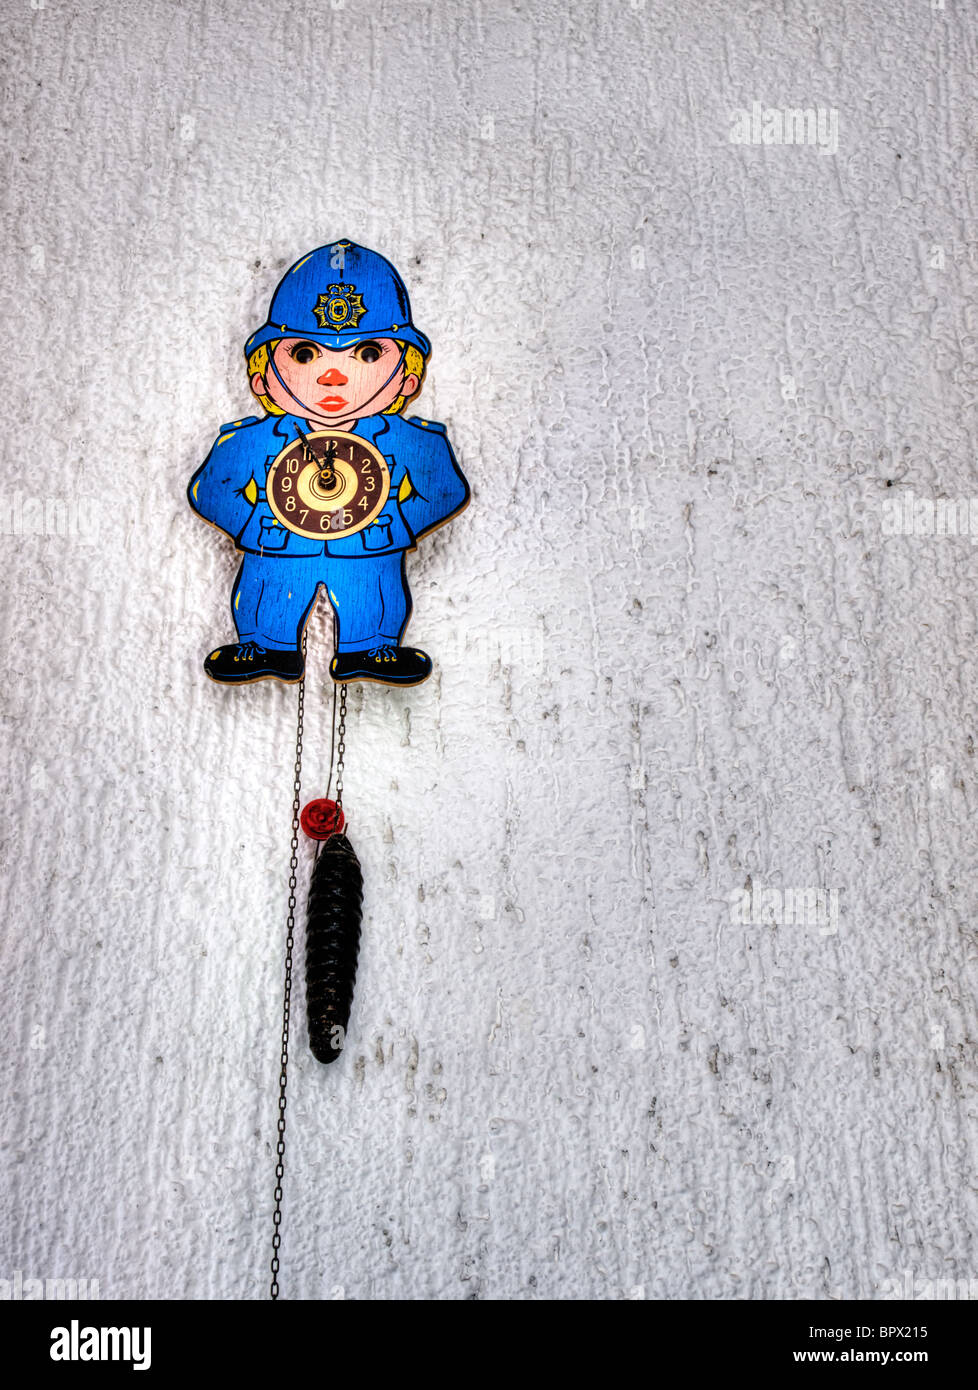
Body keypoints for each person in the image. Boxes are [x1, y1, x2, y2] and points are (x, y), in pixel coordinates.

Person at [187, 239, 469, 686]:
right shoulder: (250, 440)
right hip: (279, 546)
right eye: (303, 354)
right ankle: (265, 643)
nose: (332, 375)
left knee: (373, 592)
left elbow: (444, 491)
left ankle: (371, 646)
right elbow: (213, 490)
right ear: (263, 377)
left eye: (369, 354)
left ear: (408, 378)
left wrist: (392, 520)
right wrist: (258, 521)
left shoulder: (415, 442)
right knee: (268, 588)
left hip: (368, 547)